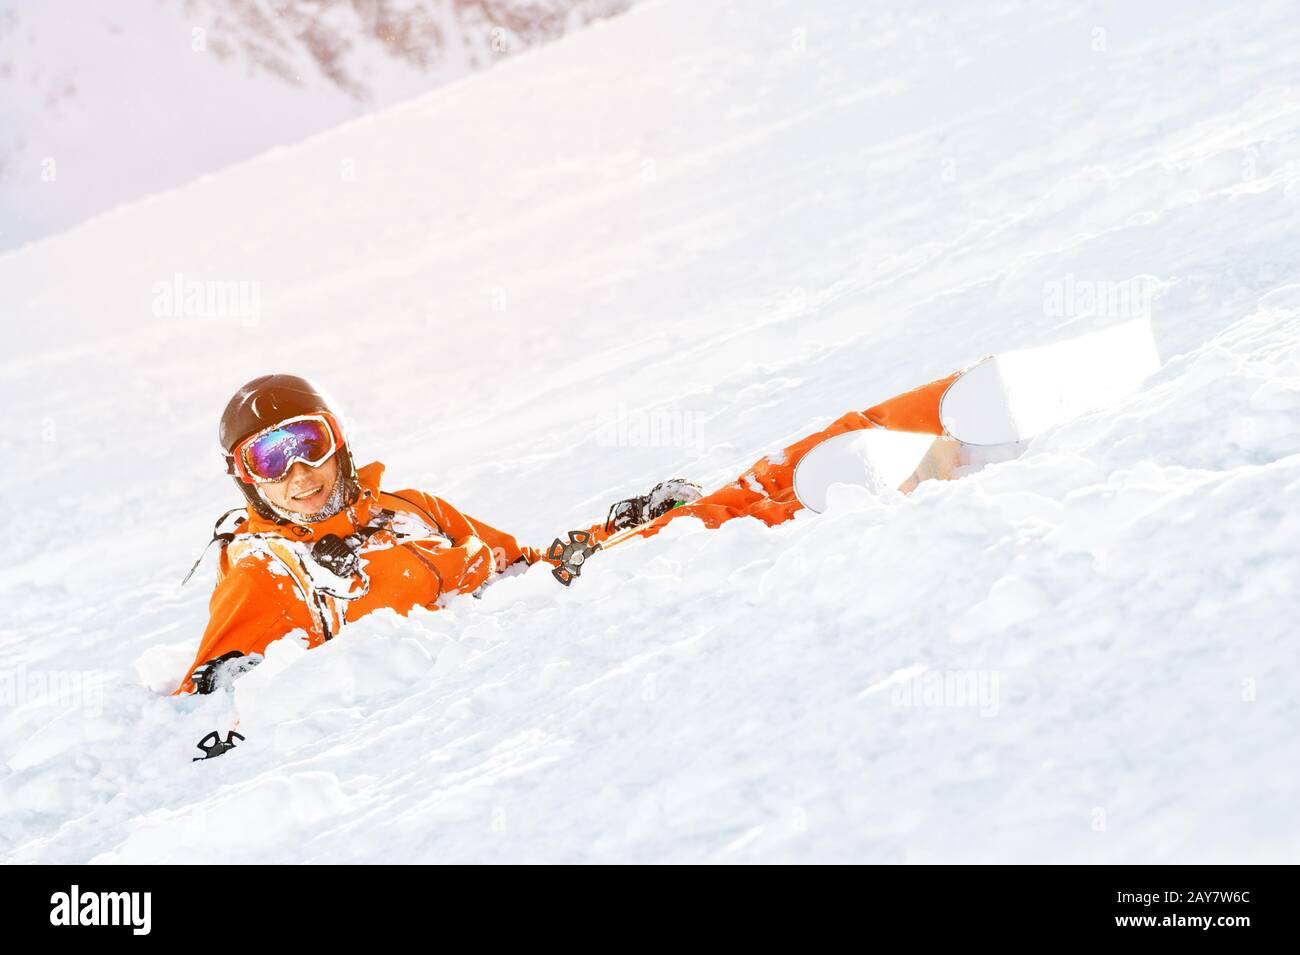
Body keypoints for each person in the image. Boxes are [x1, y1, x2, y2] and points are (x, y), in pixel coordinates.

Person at [175, 371, 964, 695]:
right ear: (246, 478)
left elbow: (523, 566)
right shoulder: (270, 569)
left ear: (336, 439)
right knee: (712, 524)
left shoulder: (408, 508)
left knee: (707, 507)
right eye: (269, 459)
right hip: (504, 675)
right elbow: (212, 698)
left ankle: (928, 419)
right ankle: (887, 463)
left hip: (543, 615)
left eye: (306, 442)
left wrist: (608, 528)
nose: (297, 472)